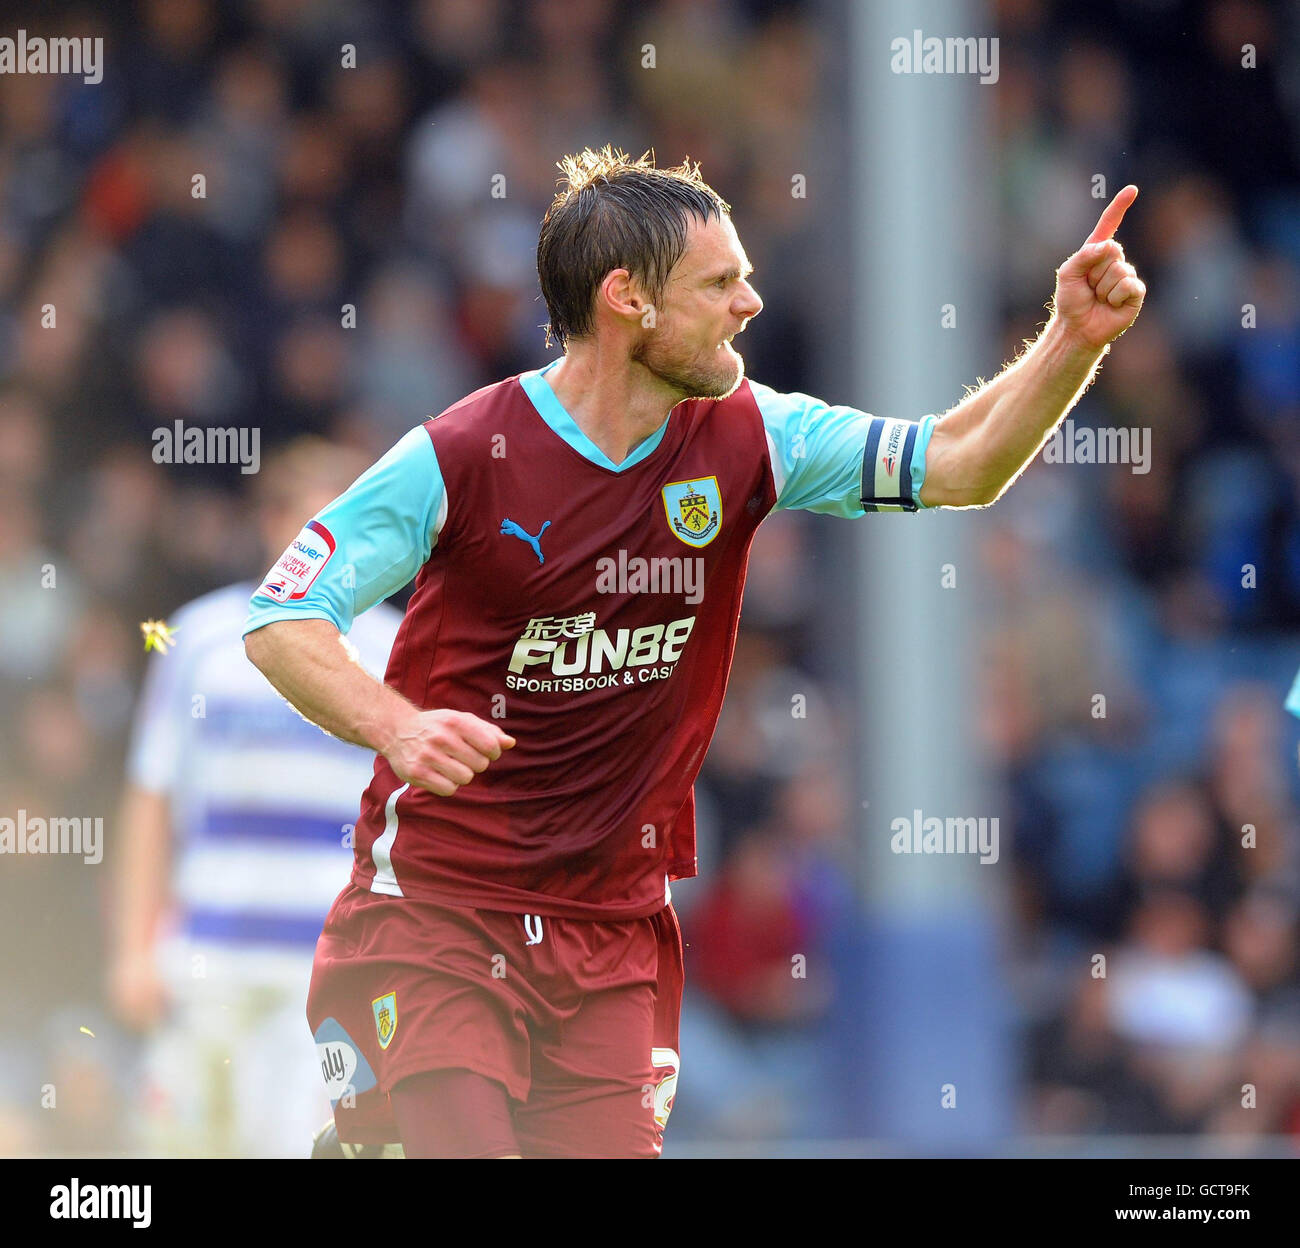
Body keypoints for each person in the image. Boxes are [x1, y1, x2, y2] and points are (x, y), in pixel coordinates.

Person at [242, 147, 1146, 1159]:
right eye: (720, 283)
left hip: (612, 931)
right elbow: (281, 618)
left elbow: (960, 467)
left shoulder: (752, 434)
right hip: (440, 913)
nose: (750, 304)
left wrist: (1070, 340)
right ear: (626, 298)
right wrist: (394, 725)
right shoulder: (461, 453)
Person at [111, 439, 403, 1156]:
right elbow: (149, 800)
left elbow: (414, 817)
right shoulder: (199, 638)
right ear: (271, 521)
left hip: (328, 971)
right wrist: (132, 949)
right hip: (203, 958)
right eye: (305, 519)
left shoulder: (398, 646)